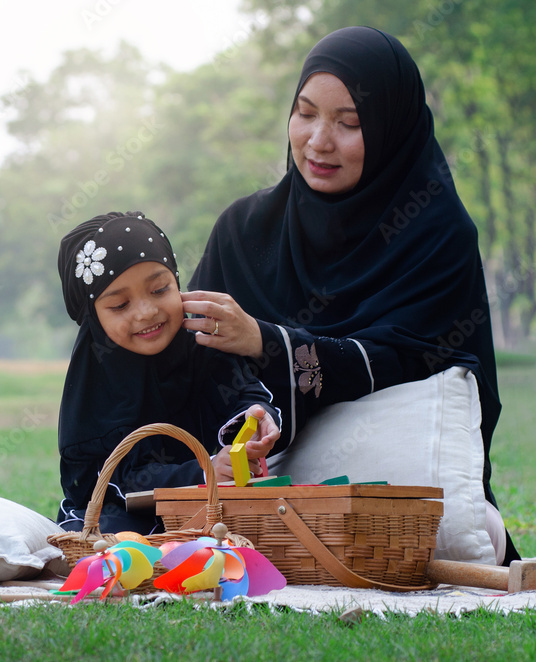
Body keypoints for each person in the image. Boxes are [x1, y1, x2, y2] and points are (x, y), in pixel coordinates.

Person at [183, 26, 519, 563]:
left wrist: (268, 342)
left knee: (466, 527)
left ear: (391, 131)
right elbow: (192, 367)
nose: (319, 140)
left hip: (397, 501)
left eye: (350, 123)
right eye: (306, 113)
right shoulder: (244, 232)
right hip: (254, 507)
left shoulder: (437, 235)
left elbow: (410, 362)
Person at [55, 211, 281, 534]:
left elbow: (243, 393)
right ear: (94, 318)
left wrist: (255, 420)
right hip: (124, 511)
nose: (147, 312)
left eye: (160, 289)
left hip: (210, 506)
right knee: (113, 536)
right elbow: (114, 478)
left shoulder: (201, 346)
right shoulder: (96, 385)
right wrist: (206, 471)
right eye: (120, 305)